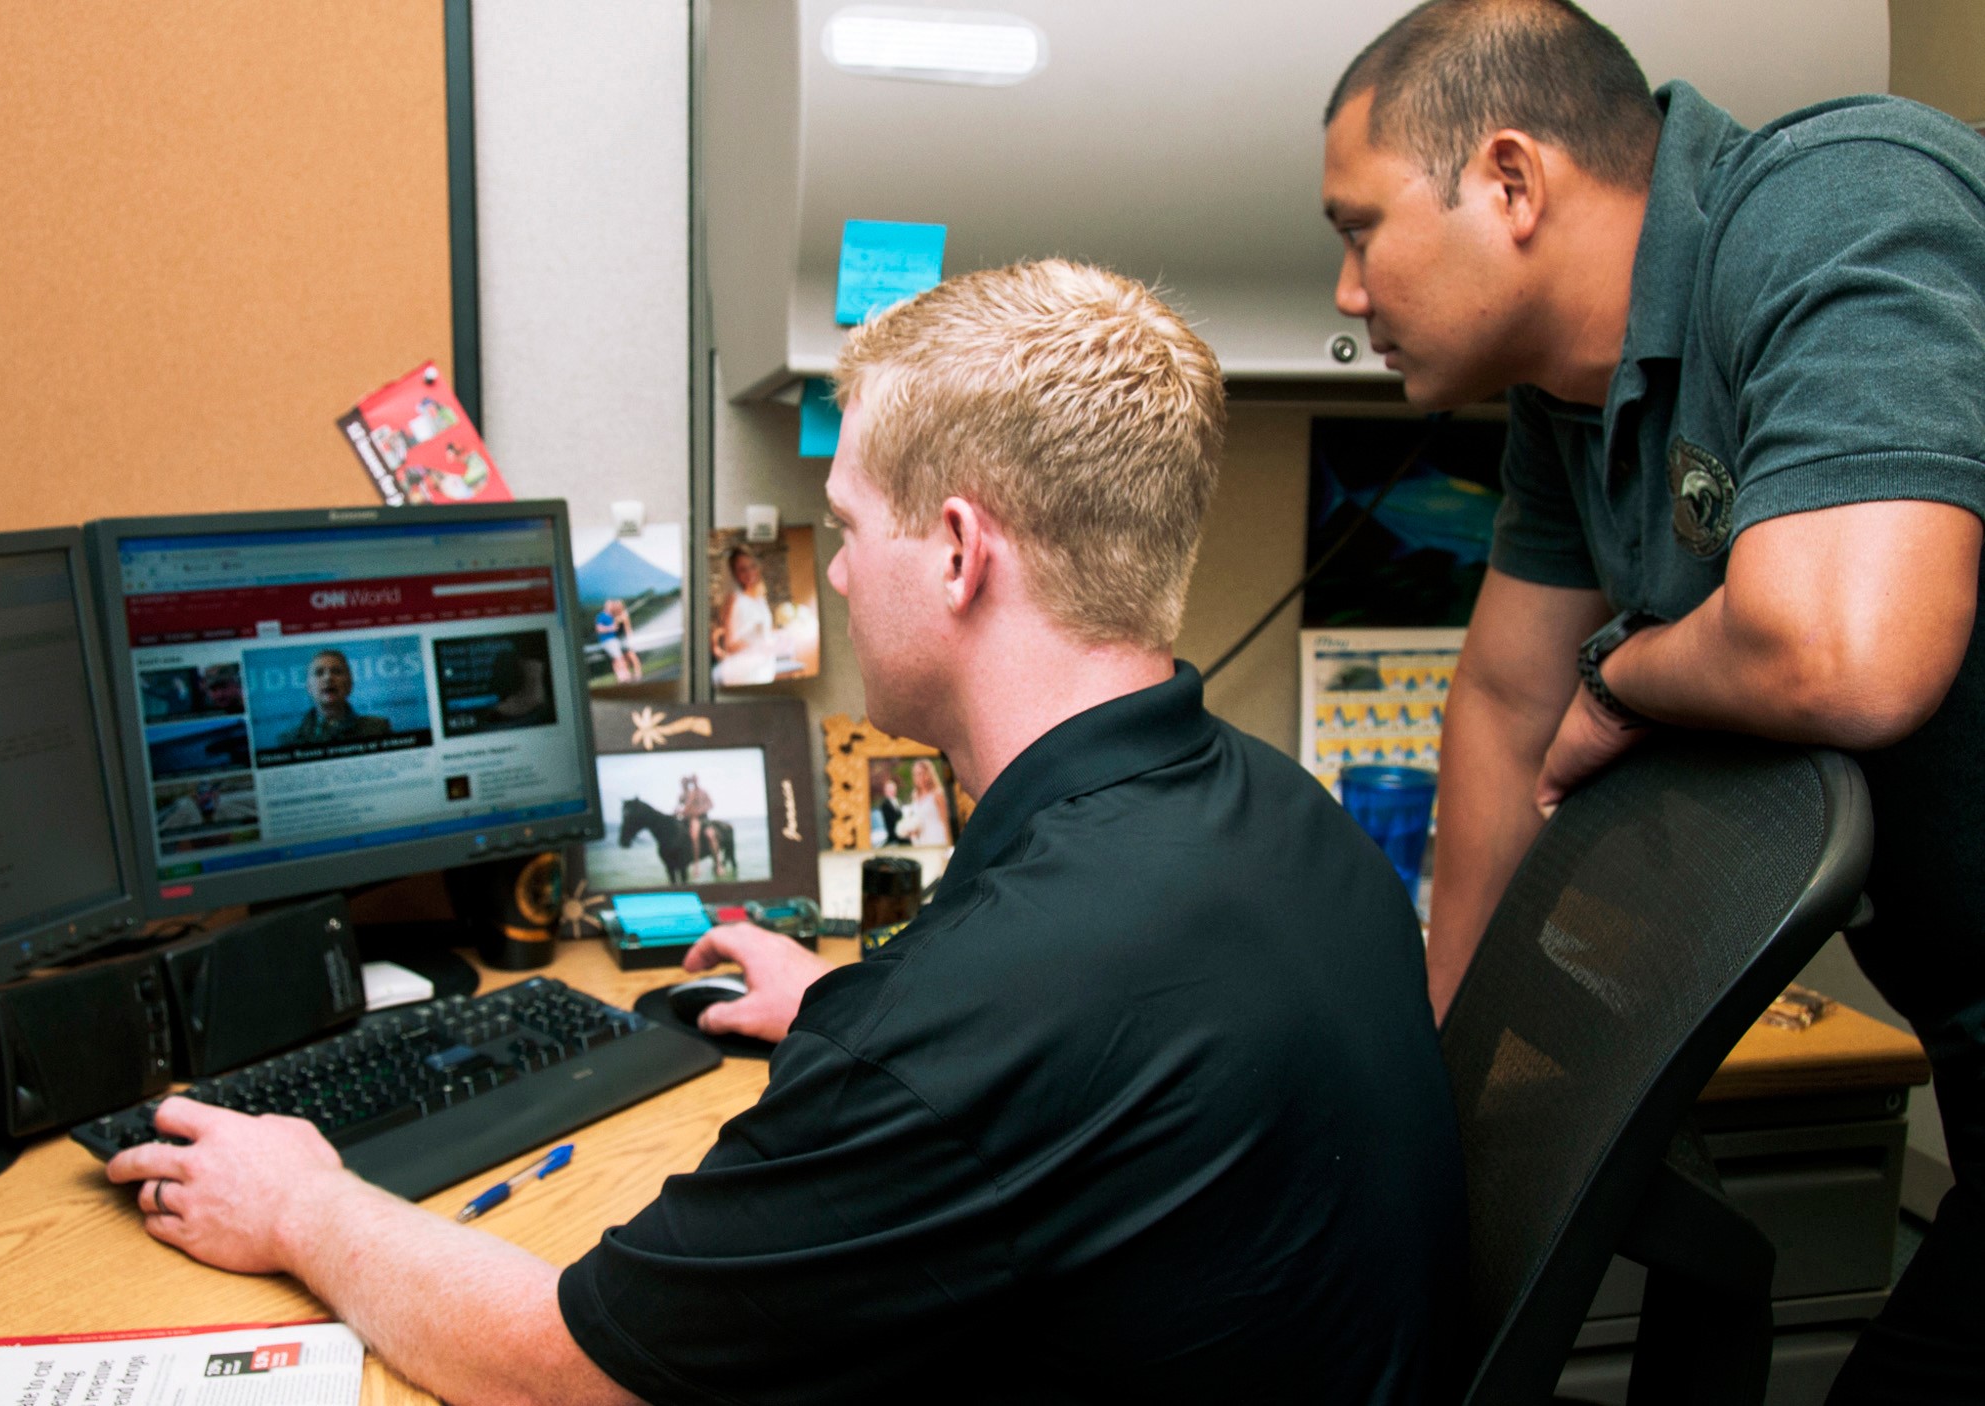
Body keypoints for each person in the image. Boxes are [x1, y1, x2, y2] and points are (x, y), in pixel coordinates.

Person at [103, 259, 1465, 1404]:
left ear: (954, 550)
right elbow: (1084, 1073)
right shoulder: (1293, 821)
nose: (844, 568)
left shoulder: (986, 1010)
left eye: (849, 527)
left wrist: (303, 1203)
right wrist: (850, 1008)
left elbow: (565, 1364)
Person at [1320, 2, 1985, 1397]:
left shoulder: (1843, 193)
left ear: (1511, 180)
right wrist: (1458, 1098)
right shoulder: (1575, 404)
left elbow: (1853, 647)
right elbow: (1503, 706)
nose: (1347, 292)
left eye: (1360, 227)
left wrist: (1624, 683)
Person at [277, 649, 393, 747]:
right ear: (309, 687)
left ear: (349, 684)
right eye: (319, 673)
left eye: (336, 672)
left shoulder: (378, 729)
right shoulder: (288, 740)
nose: (328, 678)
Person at [710, 545, 776, 686]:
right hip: (744, 671)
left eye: (752, 566)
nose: (749, 573)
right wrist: (759, 646)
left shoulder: (760, 598)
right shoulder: (734, 600)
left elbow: (764, 632)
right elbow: (730, 645)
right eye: (742, 569)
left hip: (765, 665)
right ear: (734, 573)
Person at [894, 755, 952, 847]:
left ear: (928, 774)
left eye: (921, 773)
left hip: (937, 838)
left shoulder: (937, 794)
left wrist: (949, 845)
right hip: (921, 841)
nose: (918, 777)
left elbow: (946, 822)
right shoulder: (915, 795)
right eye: (916, 774)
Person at [675, 773, 720, 870]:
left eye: (693, 780)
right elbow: (683, 807)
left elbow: (710, 804)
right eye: (684, 783)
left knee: (710, 835)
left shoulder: (702, 792)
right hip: (692, 818)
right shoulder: (688, 794)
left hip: (702, 818)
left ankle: (717, 863)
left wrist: (700, 810)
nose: (692, 782)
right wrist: (678, 812)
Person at [594, 598, 642, 682]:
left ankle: (634, 674)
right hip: (614, 640)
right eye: (612, 605)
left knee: (628, 656)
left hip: (623, 639)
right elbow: (600, 628)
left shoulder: (620, 615)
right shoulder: (605, 616)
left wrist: (630, 637)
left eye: (613, 605)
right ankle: (623, 676)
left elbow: (627, 627)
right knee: (619, 658)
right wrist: (611, 627)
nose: (612, 607)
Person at [874, 774, 906, 845]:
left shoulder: (898, 801)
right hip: (893, 833)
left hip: (901, 830)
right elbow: (892, 820)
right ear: (886, 791)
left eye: (893, 789)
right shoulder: (885, 804)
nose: (892, 791)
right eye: (890, 789)